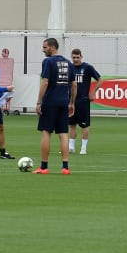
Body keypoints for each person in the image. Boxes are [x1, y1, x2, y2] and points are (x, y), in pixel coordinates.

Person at [34, 37, 76, 175]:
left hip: (50, 102)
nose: (43, 50)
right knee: (63, 134)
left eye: (45, 47)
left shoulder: (48, 61)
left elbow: (45, 82)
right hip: (64, 102)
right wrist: (71, 102)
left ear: (52, 47)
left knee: (46, 132)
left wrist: (39, 102)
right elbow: (74, 84)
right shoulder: (68, 63)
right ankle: (65, 167)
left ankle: (44, 167)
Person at [67, 49, 101, 155]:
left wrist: (93, 92)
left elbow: (100, 80)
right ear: (71, 57)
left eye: (78, 57)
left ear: (81, 57)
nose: (76, 59)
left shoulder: (87, 67)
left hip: (83, 100)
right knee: (72, 124)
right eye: (74, 57)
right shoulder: (69, 68)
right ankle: (71, 147)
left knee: (84, 125)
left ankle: (83, 148)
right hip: (71, 100)